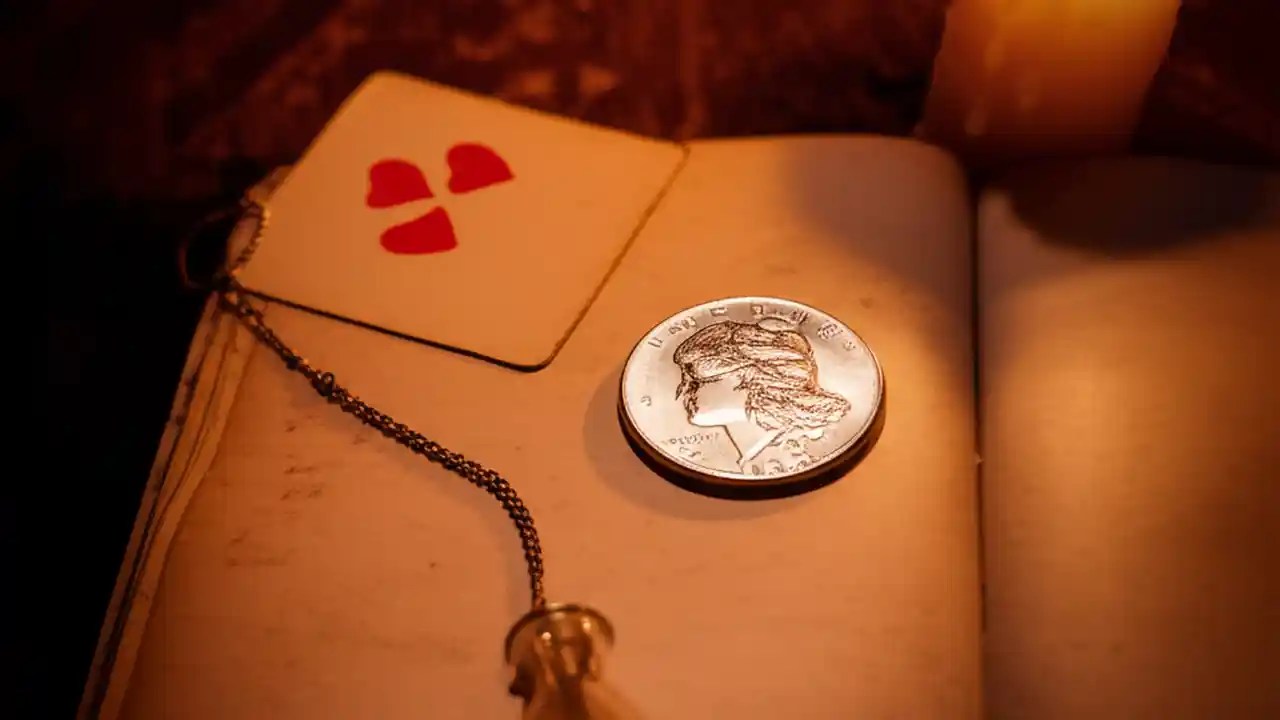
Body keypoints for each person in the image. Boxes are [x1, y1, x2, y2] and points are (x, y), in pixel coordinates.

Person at [672, 319, 851, 472]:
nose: (686, 390)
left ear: (750, 380)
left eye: (699, 381)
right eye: (689, 380)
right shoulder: (760, 445)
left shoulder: (780, 449)